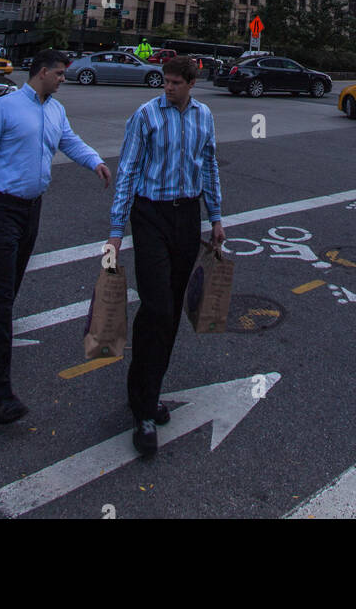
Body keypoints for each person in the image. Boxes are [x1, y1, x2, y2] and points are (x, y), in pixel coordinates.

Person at [0, 50, 111, 424]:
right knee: (1, 296)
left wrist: (95, 161)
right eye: (59, 73)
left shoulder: (55, 110)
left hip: (31, 209)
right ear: (42, 71)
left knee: (7, 288)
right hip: (1, 208)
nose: (63, 79)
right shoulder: (5, 109)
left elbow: (68, 141)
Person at [106, 56, 224, 457]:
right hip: (150, 214)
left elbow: (209, 165)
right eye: (165, 81)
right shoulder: (145, 115)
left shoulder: (204, 115)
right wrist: (115, 232)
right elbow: (127, 170)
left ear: (192, 83)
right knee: (155, 306)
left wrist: (217, 217)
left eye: (176, 82)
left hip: (187, 216)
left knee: (171, 311)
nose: (168, 87)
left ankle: (149, 391)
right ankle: (141, 406)